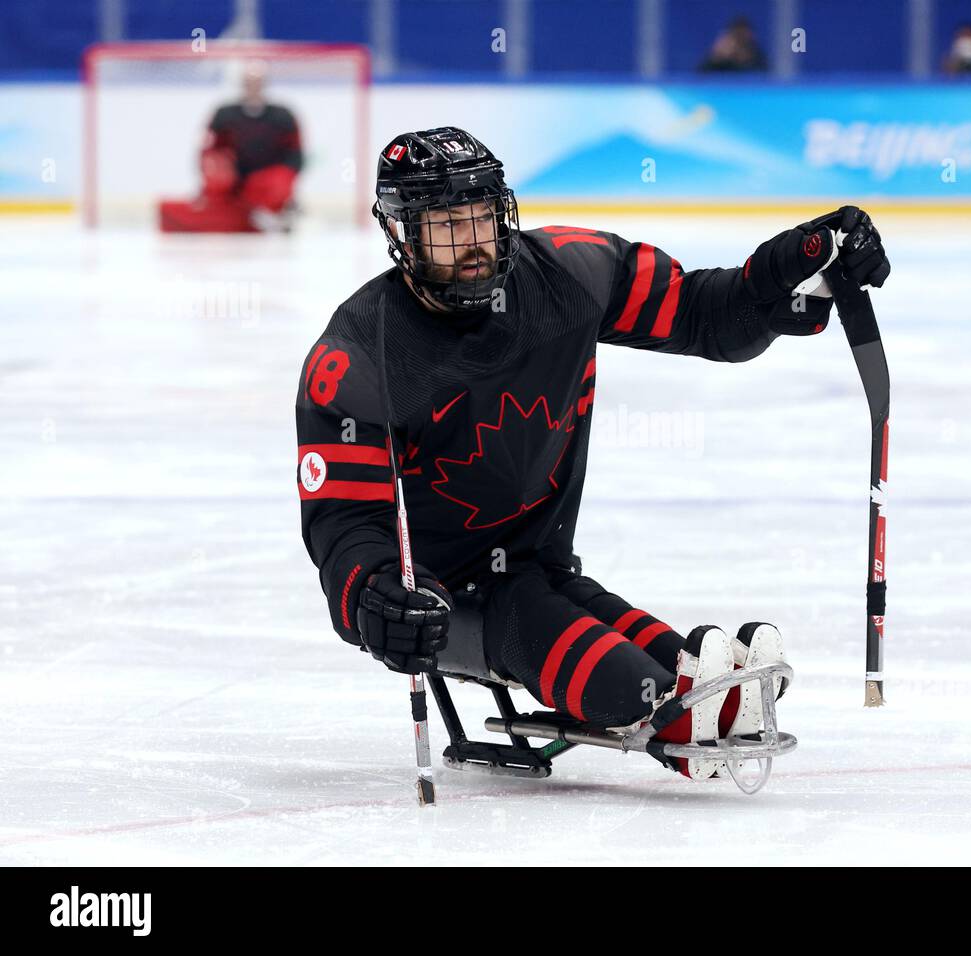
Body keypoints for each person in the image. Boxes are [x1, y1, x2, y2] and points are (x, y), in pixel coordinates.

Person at [295, 128, 890, 779]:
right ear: (403, 233)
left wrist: (793, 262)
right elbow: (345, 526)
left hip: (543, 568)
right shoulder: (355, 357)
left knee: (675, 673)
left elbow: (704, 315)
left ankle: (706, 698)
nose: (471, 243)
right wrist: (380, 597)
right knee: (640, 692)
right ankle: (685, 710)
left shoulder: (572, 272)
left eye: (480, 218)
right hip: (446, 604)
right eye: (445, 224)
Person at [159, 62, 302, 232]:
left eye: (257, 82)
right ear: (242, 84)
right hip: (232, 185)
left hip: (266, 183)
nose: (253, 87)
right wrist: (220, 177)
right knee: (196, 211)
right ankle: (258, 216)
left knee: (276, 185)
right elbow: (210, 151)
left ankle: (269, 213)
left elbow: (295, 154)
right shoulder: (224, 115)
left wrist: (281, 179)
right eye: (249, 82)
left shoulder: (283, 116)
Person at [698, 15, 768, 73]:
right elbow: (700, 75)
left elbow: (764, 77)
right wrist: (716, 58)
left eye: (744, 37)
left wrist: (744, 61)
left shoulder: (757, 56)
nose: (741, 41)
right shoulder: (721, 59)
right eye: (738, 36)